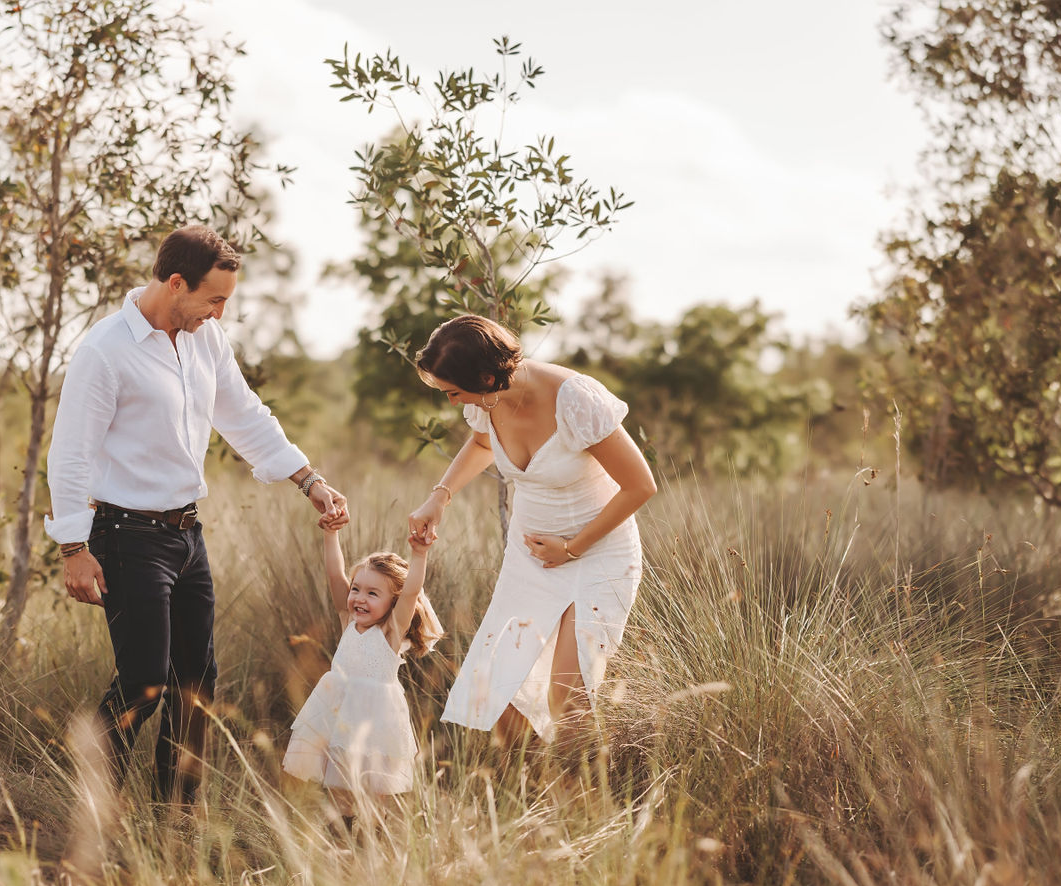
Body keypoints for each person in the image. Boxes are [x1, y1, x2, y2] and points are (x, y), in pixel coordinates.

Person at [45, 224, 346, 803]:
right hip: (124, 534)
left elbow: (243, 413)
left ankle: (177, 817)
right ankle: (91, 808)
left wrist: (307, 478)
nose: (221, 313)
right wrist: (73, 548)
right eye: (215, 299)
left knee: (196, 686)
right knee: (144, 685)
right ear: (176, 283)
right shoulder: (104, 352)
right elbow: (72, 453)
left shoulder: (204, 339)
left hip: (187, 535)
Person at [407, 314, 656, 747]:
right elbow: (484, 442)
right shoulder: (487, 400)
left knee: (568, 698)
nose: (451, 403)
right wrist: (439, 497)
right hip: (530, 560)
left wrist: (572, 549)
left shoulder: (575, 400)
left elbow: (640, 485)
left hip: (596, 554)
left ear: (486, 377)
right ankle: (541, 790)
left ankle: (586, 802)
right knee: (495, 691)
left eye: (453, 392)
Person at [283, 513, 442, 828]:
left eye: (373, 594)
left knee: (370, 789)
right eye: (357, 589)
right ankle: (344, 840)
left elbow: (410, 592)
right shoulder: (348, 622)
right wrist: (331, 535)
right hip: (339, 713)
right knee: (340, 787)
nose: (359, 598)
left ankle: (372, 840)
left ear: (392, 603)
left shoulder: (390, 632)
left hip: (375, 720)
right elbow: (334, 575)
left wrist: (419, 554)